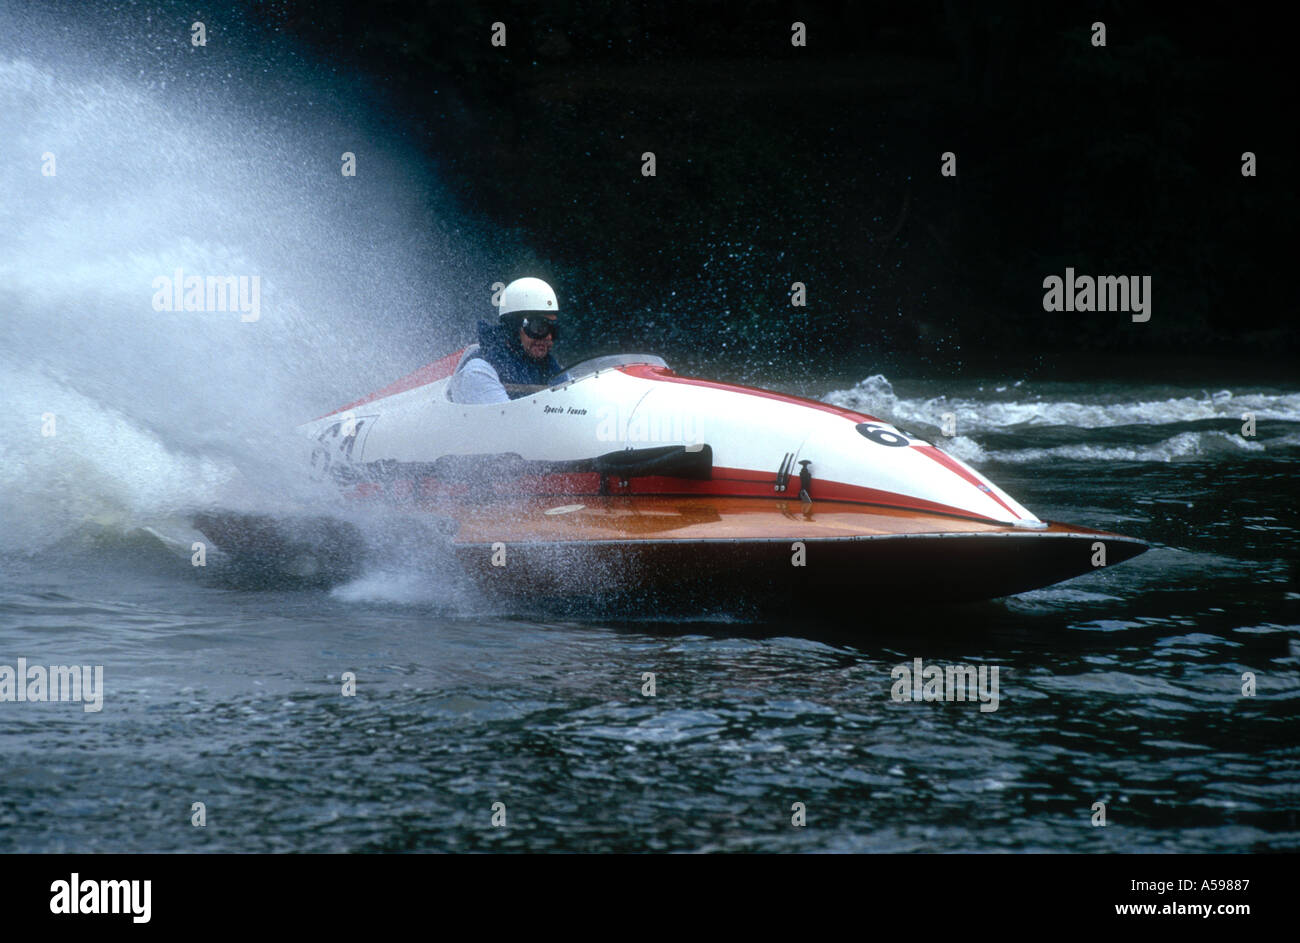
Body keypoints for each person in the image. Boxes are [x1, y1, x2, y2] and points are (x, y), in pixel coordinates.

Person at [449, 277, 563, 404]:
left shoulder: (550, 368)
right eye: (538, 328)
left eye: (554, 329)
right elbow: (506, 421)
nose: (549, 337)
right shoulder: (479, 372)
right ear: (513, 327)